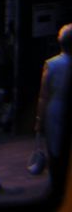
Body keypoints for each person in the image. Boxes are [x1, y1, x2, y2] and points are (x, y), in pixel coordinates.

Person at [35, 23, 72, 209]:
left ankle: (57, 186)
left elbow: (44, 95)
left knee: (56, 148)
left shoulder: (52, 64)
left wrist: (39, 121)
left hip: (55, 108)